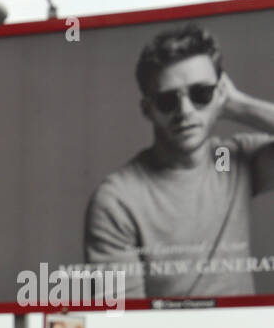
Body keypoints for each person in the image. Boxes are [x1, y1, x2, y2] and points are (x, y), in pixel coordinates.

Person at [84, 24, 274, 298]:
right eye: (167, 100)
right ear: (147, 109)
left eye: (201, 94)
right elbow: (127, 320)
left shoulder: (231, 161)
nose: (185, 112)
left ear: (219, 95)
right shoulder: (117, 200)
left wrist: (239, 104)